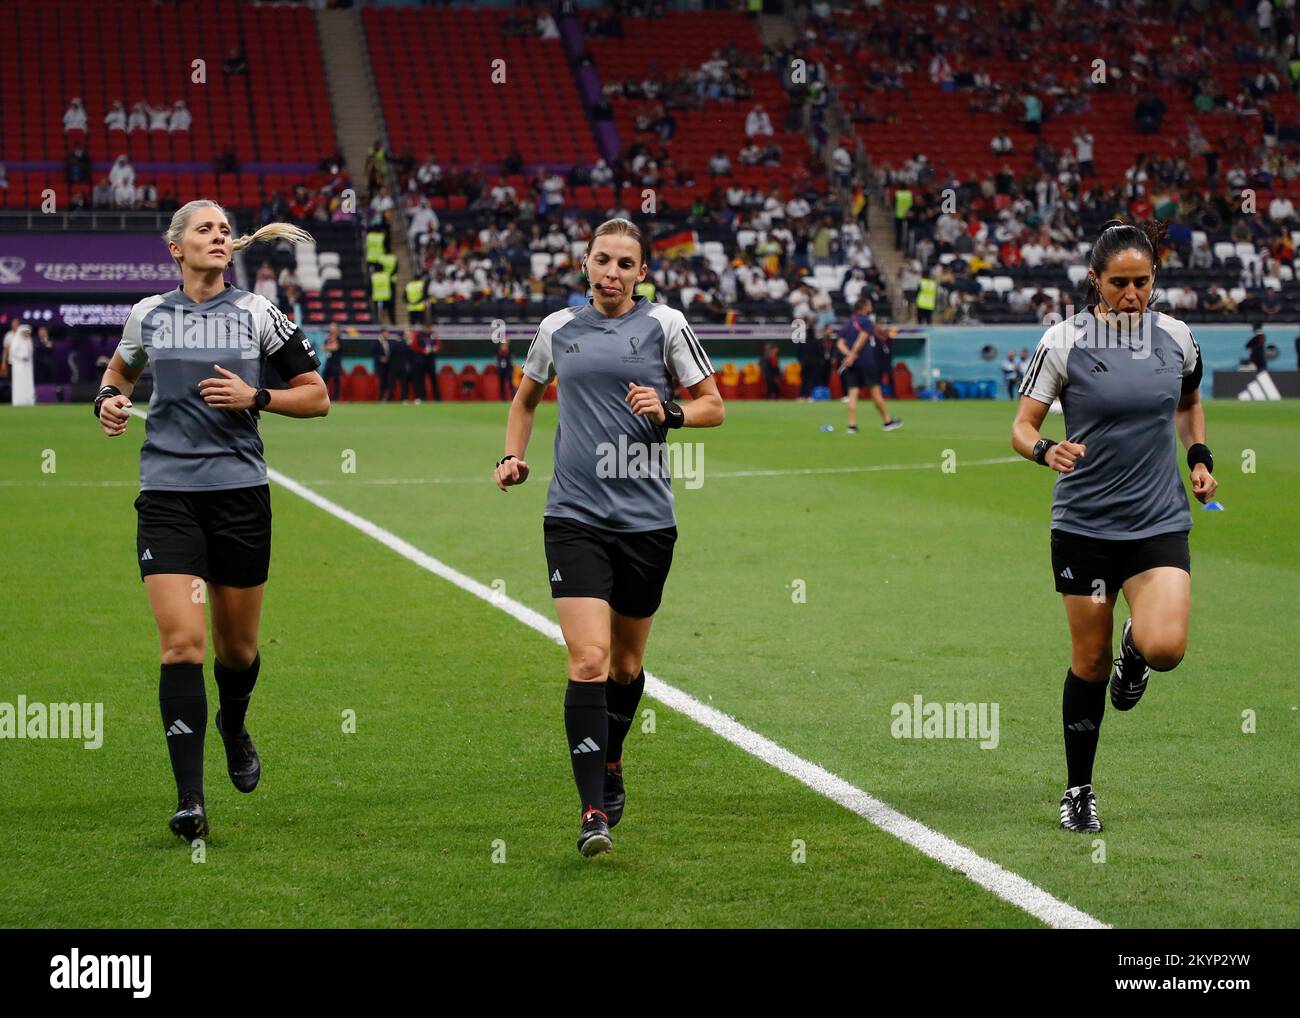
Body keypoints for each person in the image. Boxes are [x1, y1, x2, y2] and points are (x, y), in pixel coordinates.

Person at [93, 200, 328, 842]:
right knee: (182, 645)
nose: (220, 237)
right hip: (167, 496)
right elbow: (118, 374)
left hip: (239, 496)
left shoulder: (258, 314)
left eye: (226, 230)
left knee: (237, 650)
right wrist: (109, 401)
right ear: (177, 248)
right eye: (206, 229)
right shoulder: (149, 314)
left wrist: (260, 397)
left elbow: (317, 395)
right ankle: (191, 799)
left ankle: (233, 719)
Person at [493, 218, 724, 857]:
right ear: (585, 265)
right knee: (589, 660)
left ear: (642, 272)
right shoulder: (556, 329)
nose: (613, 273)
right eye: (603, 261)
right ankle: (592, 809)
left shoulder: (667, 326)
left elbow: (713, 405)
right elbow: (525, 400)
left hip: (647, 521)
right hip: (574, 516)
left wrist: (669, 410)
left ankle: (612, 757)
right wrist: (511, 456)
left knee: (625, 665)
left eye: (626, 263)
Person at [1011, 219, 1216, 834]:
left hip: (1157, 519)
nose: (1132, 295)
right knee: (1089, 661)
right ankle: (1078, 790)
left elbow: (1189, 405)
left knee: (1165, 648)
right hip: (1085, 525)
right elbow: (1022, 426)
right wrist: (1046, 451)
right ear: (1094, 280)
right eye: (1119, 283)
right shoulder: (1064, 341)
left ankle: (1138, 650)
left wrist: (1199, 458)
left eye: (1142, 282)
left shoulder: (1177, 337)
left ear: (1155, 280)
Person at [836, 298, 902, 433]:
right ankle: (887, 421)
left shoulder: (848, 324)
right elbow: (862, 338)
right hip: (865, 361)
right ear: (864, 307)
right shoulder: (866, 321)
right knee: (876, 393)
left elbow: (840, 343)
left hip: (852, 364)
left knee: (853, 393)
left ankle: (852, 425)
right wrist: (853, 353)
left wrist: (848, 355)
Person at [2, 323, 35, 406]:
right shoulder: (16, 341)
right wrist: (21, 357)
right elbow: (13, 353)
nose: (27, 334)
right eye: (26, 332)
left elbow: (30, 354)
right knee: (19, 384)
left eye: (28, 332)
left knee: (27, 384)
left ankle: (28, 401)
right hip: (18, 366)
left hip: (27, 367)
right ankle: (18, 401)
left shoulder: (29, 341)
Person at [322, 322, 343, 401]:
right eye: (330, 327)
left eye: (333, 327)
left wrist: (328, 347)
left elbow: (336, 348)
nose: (331, 329)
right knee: (324, 380)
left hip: (336, 363)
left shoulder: (339, 339)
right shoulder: (328, 338)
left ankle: (336, 398)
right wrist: (330, 347)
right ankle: (323, 397)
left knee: (336, 381)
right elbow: (323, 347)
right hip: (328, 362)